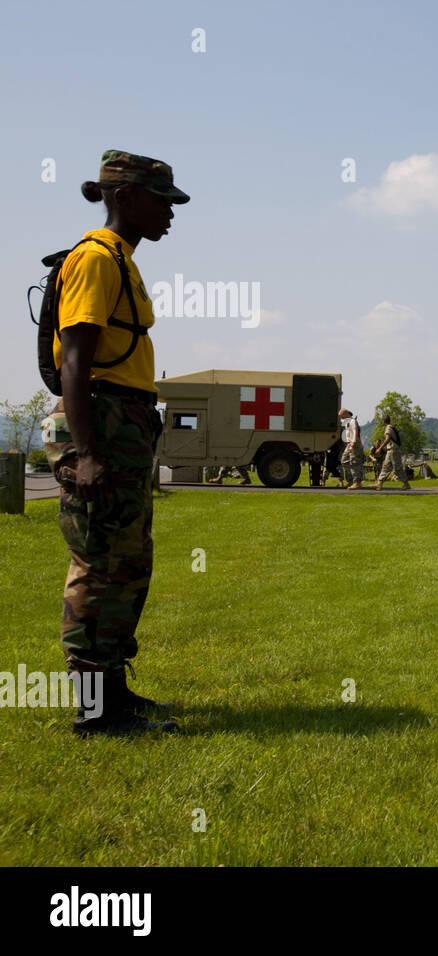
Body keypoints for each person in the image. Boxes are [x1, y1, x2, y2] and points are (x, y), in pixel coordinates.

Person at [44, 150, 190, 735]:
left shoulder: (122, 260)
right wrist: (87, 454)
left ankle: (114, 694)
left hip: (121, 423)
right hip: (100, 422)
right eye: (162, 200)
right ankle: (95, 711)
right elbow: (76, 363)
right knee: (99, 563)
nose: (171, 213)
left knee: (126, 563)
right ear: (125, 195)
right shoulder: (97, 260)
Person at [373, 415, 410, 490]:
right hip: (390, 450)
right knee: (385, 467)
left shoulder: (388, 428)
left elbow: (387, 439)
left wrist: (380, 448)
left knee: (397, 468)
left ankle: (406, 484)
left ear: (383, 421)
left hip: (393, 450)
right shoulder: (391, 427)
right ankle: (379, 483)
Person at [339, 408, 364, 489]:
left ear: (345, 414)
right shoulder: (347, 422)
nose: (341, 418)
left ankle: (357, 482)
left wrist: (352, 444)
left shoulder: (353, 421)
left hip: (354, 443)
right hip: (349, 444)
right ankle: (351, 481)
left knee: (354, 463)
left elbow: (355, 432)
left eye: (341, 416)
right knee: (344, 461)